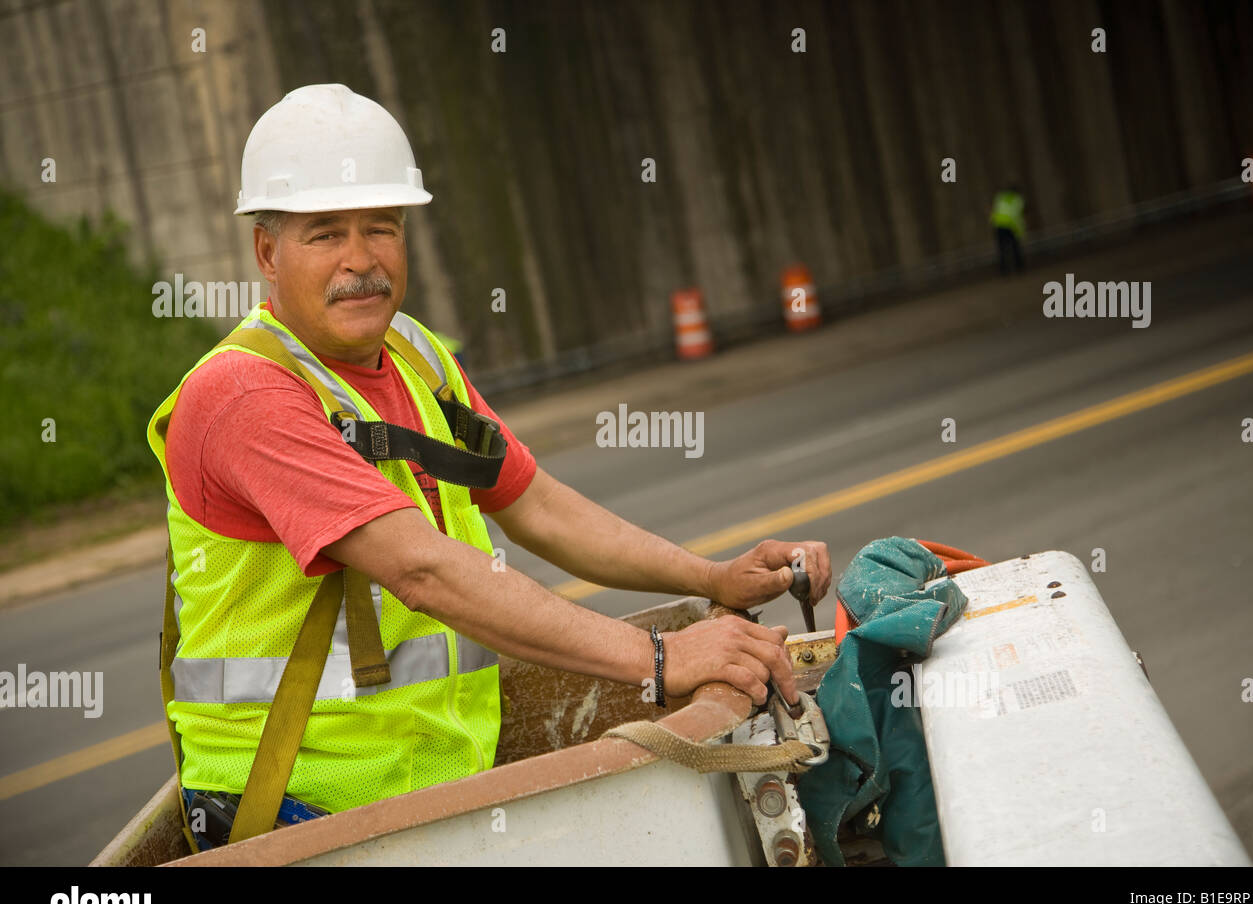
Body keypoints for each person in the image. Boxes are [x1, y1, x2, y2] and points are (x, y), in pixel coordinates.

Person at [146, 85, 830, 850]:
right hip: (296, 819)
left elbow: (534, 503)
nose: (362, 260)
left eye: (383, 227)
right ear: (266, 253)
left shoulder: (416, 355)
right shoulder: (243, 393)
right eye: (325, 235)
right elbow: (423, 570)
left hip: (433, 796)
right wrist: (658, 659)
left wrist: (708, 578)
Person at [989, 185, 1026, 274]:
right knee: (1015, 248)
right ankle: (1019, 267)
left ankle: (1004, 270)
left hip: (998, 225)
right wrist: (1020, 231)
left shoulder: (1000, 197)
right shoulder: (1018, 199)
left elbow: (995, 210)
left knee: (1002, 249)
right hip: (1010, 225)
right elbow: (1016, 216)